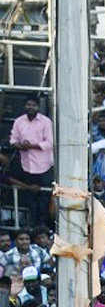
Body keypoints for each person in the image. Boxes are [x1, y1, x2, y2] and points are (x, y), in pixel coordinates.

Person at [7, 96, 54, 227]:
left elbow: (49, 143)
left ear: (38, 107)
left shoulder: (45, 122)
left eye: (33, 105)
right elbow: (13, 140)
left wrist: (31, 146)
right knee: (29, 197)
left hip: (43, 166)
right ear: (24, 106)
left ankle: (43, 226)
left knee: (44, 197)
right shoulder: (19, 121)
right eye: (28, 105)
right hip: (26, 165)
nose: (30, 107)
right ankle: (32, 226)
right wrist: (20, 145)